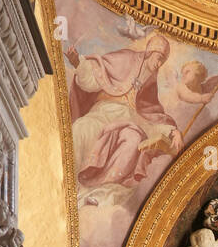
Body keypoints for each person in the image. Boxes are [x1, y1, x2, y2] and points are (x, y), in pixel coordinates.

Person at [66, 34, 182, 207]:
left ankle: (100, 192)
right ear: (150, 52)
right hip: (103, 112)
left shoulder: (150, 85)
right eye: (158, 59)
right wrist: (78, 64)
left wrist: (173, 131)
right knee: (82, 128)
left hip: (130, 121)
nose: (158, 65)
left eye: (162, 62)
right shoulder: (125, 59)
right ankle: (68, 185)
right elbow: (93, 80)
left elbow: (153, 117)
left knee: (134, 140)